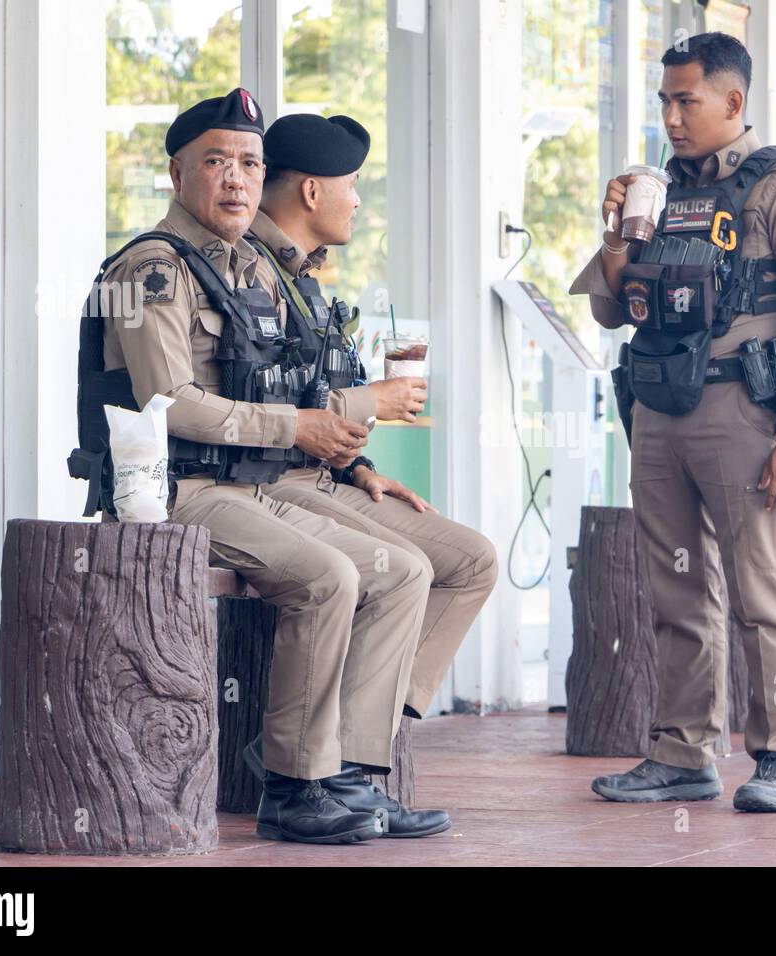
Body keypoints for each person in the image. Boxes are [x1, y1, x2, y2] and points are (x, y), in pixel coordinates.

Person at [72, 89, 435, 843]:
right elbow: (170, 402)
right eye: (216, 162)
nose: (236, 178)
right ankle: (293, 787)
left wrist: (347, 454)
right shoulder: (151, 269)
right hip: (175, 492)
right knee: (328, 576)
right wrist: (294, 426)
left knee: (401, 568)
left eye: (248, 162)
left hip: (252, 485)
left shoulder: (248, 270)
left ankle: (347, 771)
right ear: (178, 175)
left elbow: (291, 386)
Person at [568, 33, 776, 812]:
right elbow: (611, 308)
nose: (671, 115)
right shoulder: (656, 190)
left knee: (764, 592)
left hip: (745, 415)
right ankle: (683, 753)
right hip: (659, 412)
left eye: (685, 99)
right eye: (663, 100)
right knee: (676, 591)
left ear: (733, 101)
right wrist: (618, 225)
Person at [241, 111, 499, 830]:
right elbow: (259, 404)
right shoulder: (249, 272)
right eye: (353, 186)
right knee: (403, 564)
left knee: (471, 560)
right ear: (315, 192)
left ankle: (350, 743)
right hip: (264, 485)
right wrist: (370, 400)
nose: (361, 202)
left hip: (322, 476)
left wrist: (364, 469)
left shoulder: (305, 279)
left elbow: (306, 396)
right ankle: (333, 764)